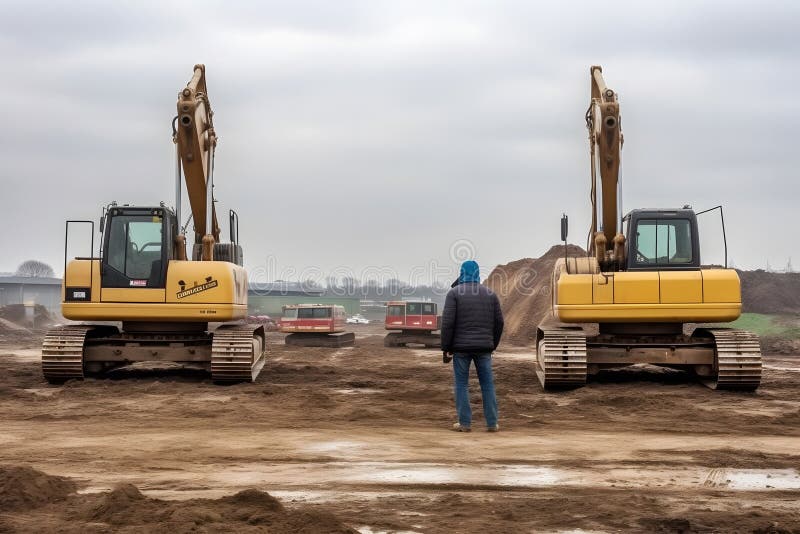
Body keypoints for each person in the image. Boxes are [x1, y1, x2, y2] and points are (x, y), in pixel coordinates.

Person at [440, 260, 504, 432]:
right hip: (484, 349)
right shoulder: (490, 294)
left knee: (461, 385)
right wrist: (492, 345)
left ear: (462, 273)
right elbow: (499, 322)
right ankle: (492, 424)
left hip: (460, 349)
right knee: (487, 384)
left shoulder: (454, 293)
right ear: (477, 273)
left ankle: (465, 423)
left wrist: (446, 348)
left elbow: (447, 324)